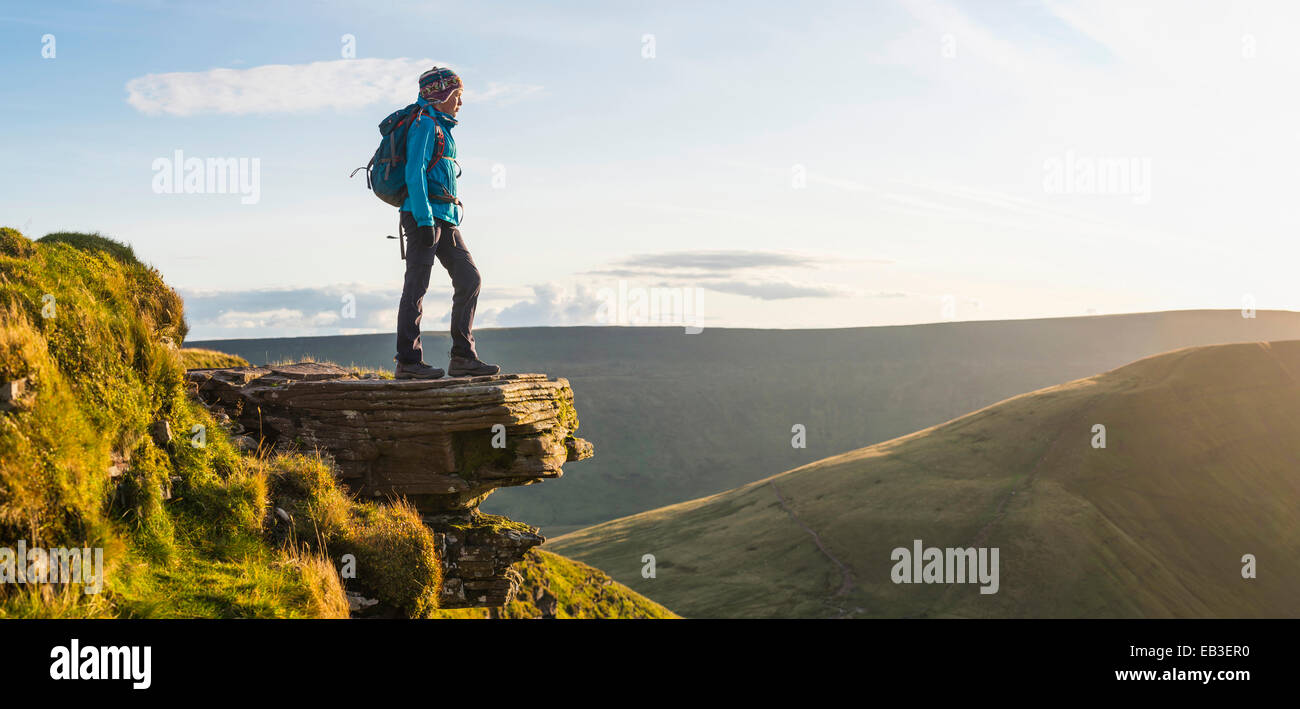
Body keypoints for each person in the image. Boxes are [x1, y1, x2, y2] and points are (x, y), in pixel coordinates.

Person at [394, 66, 500, 379]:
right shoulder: (425, 124)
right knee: (416, 286)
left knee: (470, 278)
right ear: (441, 94)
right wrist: (425, 220)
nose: (460, 102)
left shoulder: (442, 126)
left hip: (446, 218)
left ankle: (463, 357)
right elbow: (415, 172)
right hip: (422, 216)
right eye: (457, 95)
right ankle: (408, 362)